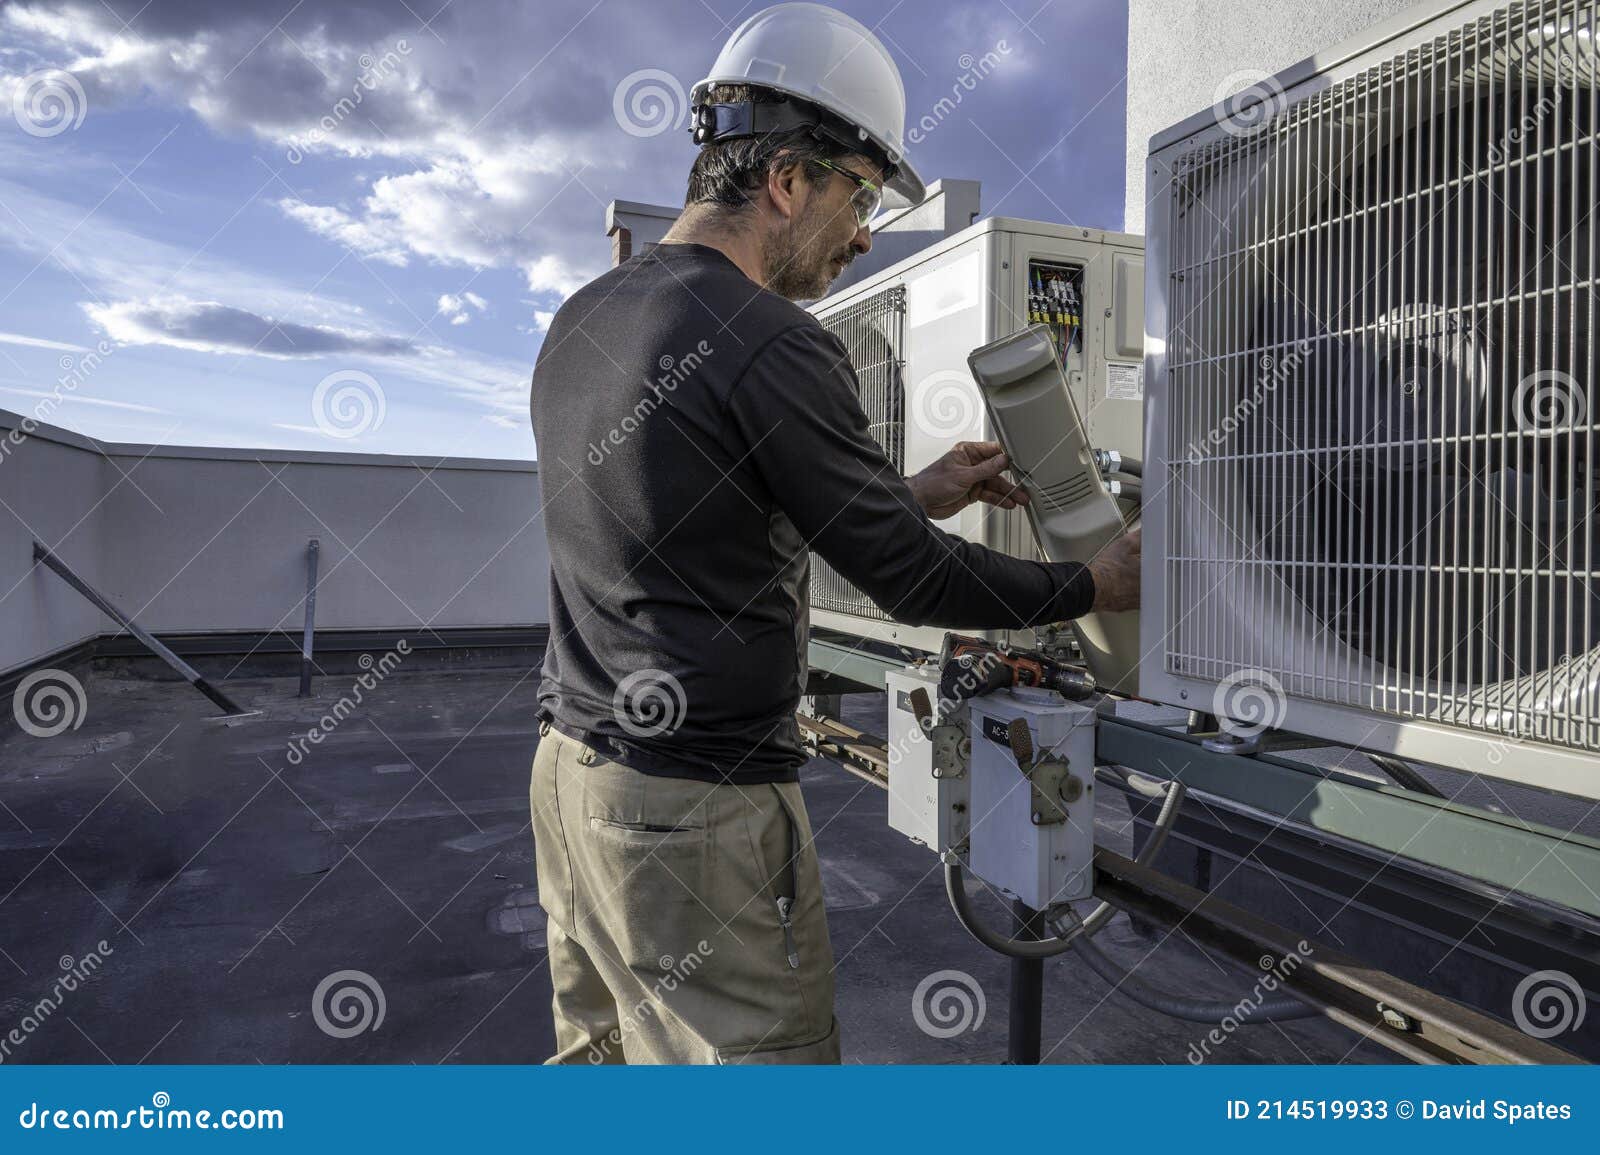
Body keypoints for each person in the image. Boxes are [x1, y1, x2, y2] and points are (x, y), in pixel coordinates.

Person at [528, 2, 1140, 1065]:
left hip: (569, 781)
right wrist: (1089, 586)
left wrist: (910, 492)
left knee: (603, 1068)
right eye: (859, 196)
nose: (863, 235)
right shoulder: (772, 341)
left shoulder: (584, 317)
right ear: (785, 182)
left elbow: (701, 521)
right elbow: (905, 582)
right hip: (694, 814)